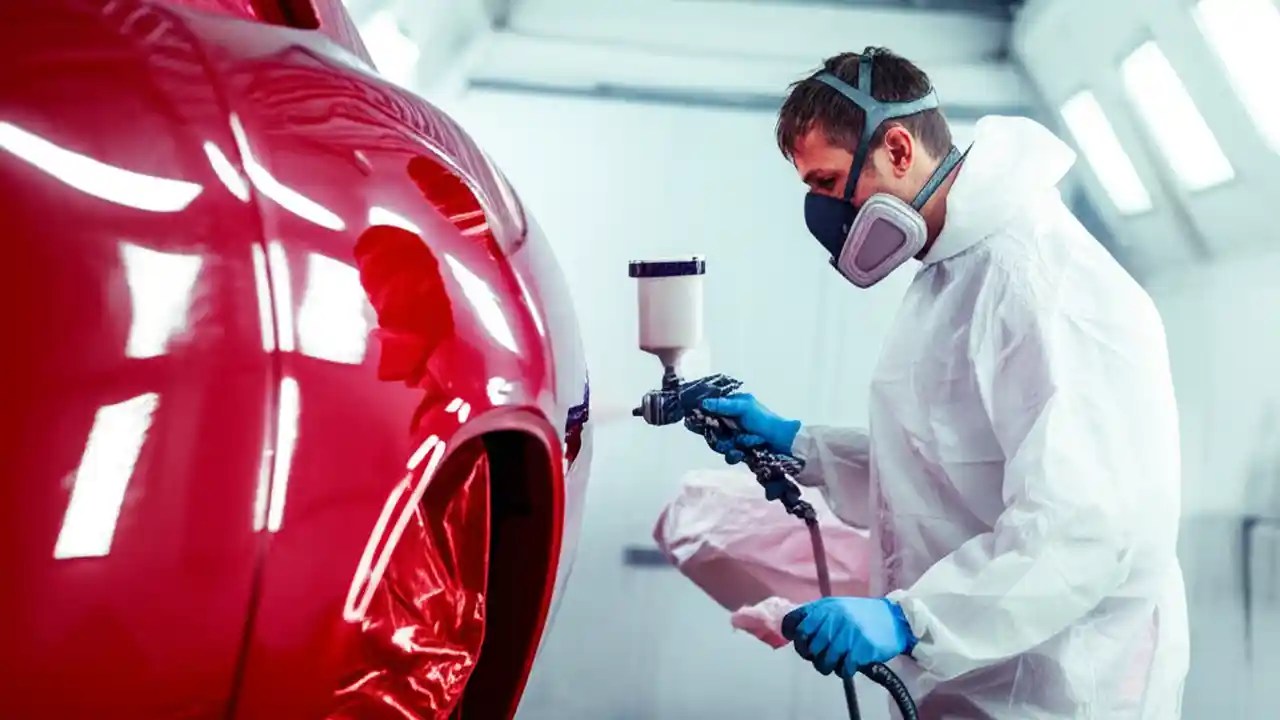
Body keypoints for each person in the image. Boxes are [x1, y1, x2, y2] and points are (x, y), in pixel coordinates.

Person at [695, 47, 1189, 718]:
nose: (822, 212)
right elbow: (943, 472)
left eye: (827, 180)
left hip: (1058, 688)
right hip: (975, 680)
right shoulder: (952, 269)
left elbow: (1082, 527)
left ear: (898, 149)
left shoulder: (1044, 285)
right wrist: (798, 444)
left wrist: (909, 620)